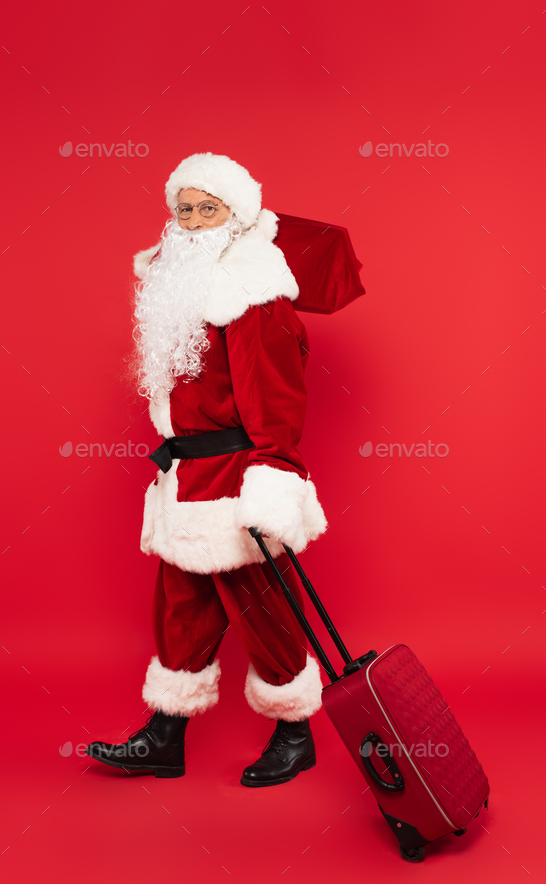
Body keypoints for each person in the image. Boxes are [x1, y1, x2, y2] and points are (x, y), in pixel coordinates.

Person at [87, 153, 328, 786]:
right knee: (181, 604)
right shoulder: (179, 281)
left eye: (207, 208)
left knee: (261, 603)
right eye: (183, 209)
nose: (192, 221)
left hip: (236, 475)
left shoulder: (254, 294)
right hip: (186, 477)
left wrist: (272, 479)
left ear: (237, 215)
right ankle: (166, 734)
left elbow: (276, 398)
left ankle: (294, 731)